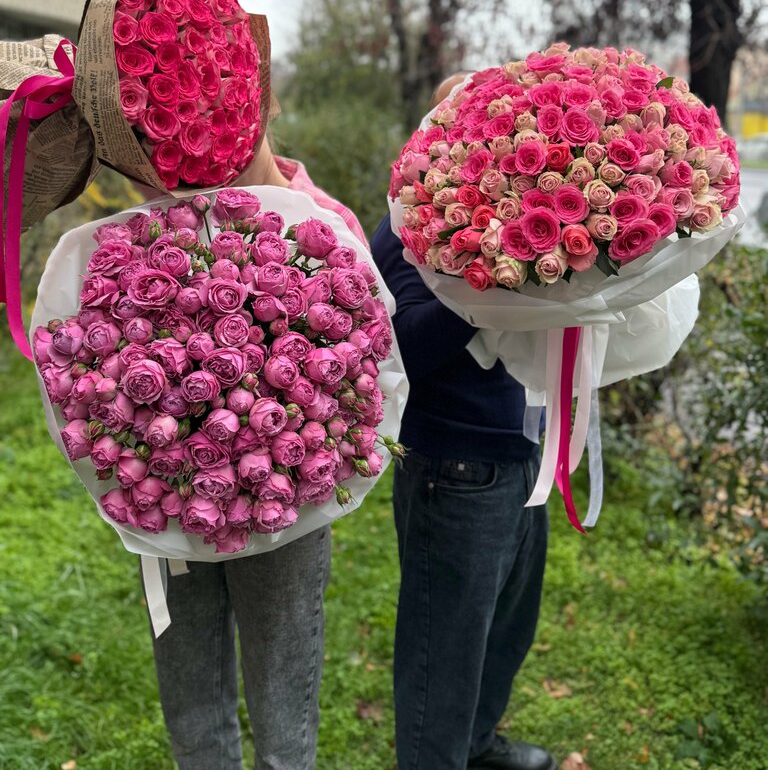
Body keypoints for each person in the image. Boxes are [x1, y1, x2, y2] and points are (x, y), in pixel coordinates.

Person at [144, 134, 366, 770]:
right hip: (170, 490)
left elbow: (367, 366)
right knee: (187, 669)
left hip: (285, 500)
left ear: (261, 109)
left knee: (282, 671)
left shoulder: (324, 222)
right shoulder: (159, 223)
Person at [370, 74, 556, 770]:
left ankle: (476, 744)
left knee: (506, 629)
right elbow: (402, 348)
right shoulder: (408, 227)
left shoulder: (517, 211)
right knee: (441, 656)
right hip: (455, 467)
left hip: (521, 454)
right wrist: (487, 282)